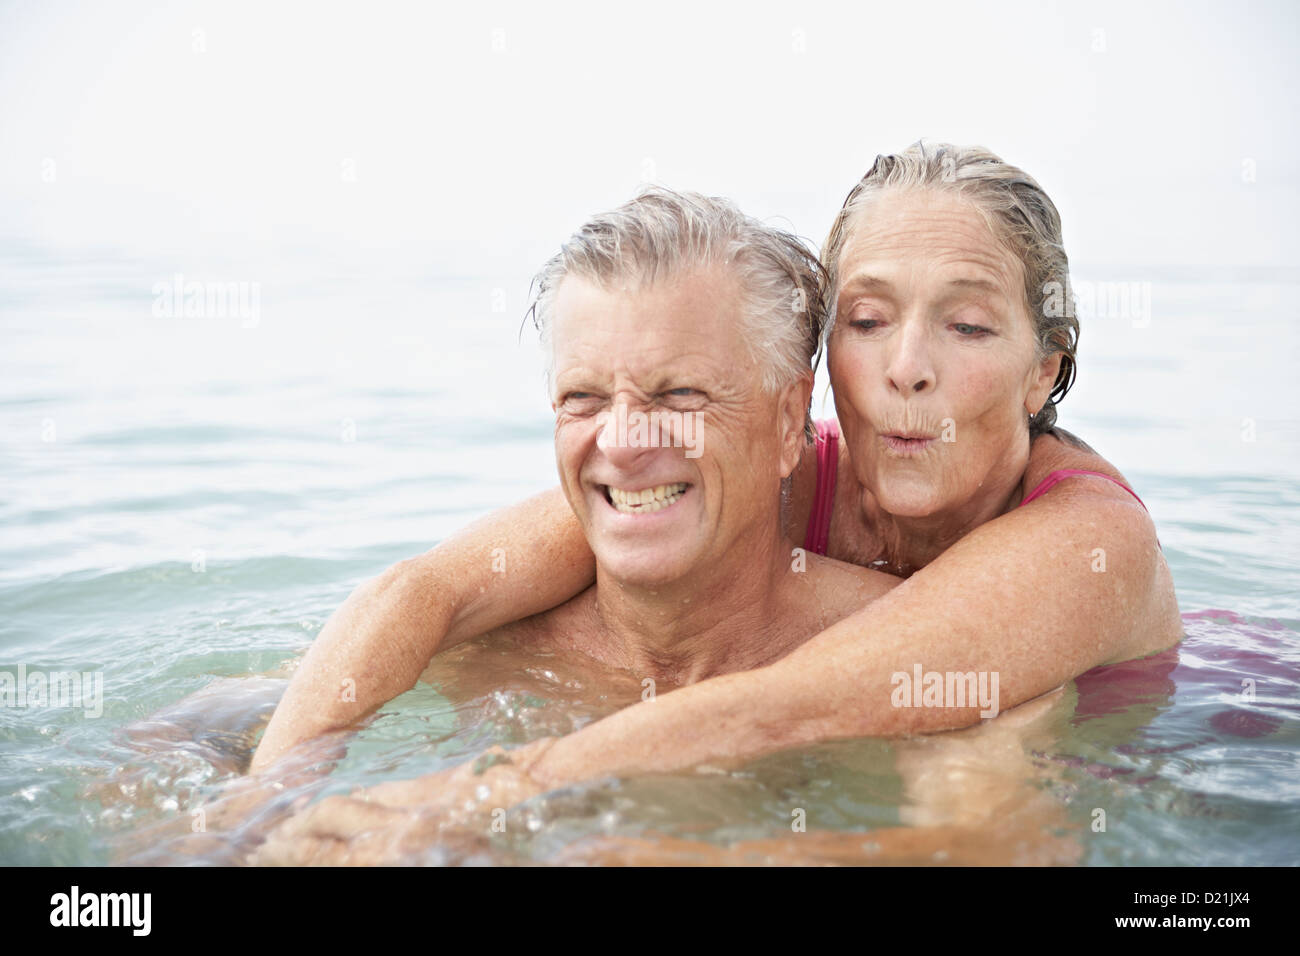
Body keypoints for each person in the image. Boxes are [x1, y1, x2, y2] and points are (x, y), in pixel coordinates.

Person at [250, 143, 1182, 803]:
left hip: (1210, 734)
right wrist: (265, 800)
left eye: (968, 326)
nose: (907, 367)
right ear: (813, 375)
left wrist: (469, 804)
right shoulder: (766, 464)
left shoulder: (1088, 542)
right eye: (865, 321)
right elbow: (434, 590)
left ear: (1044, 370)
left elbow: (788, 707)